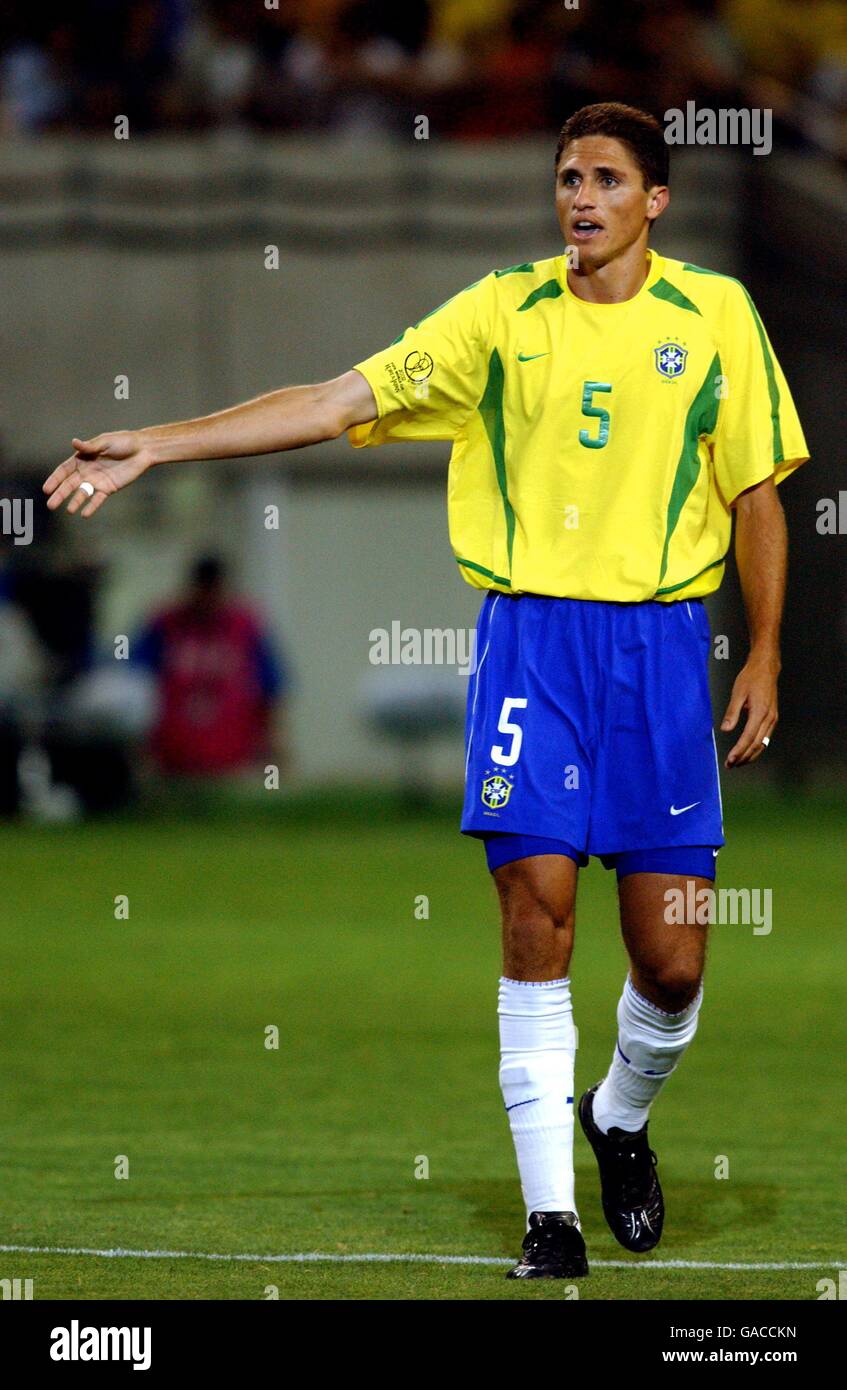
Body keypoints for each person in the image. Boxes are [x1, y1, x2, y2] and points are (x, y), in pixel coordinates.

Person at [43, 101, 808, 1280]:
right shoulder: (499, 314)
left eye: (606, 178)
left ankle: (618, 1116)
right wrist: (158, 440)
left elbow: (757, 491)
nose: (581, 198)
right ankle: (550, 1218)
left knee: (673, 961)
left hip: (662, 653)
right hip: (531, 647)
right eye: (566, 177)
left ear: (655, 201)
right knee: (534, 911)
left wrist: (759, 650)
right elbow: (334, 400)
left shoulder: (717, 317)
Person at [133, 554, 290, 778]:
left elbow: (270, 689)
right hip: (172, 757)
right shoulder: (164, 625)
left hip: (234, 759)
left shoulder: (246, 627)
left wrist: (274, 747)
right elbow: (135, 683)